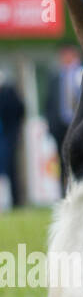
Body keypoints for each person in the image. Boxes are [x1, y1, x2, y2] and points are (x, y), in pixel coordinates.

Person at [45, 46, 83, 194]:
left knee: (80, 159)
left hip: (80, 125)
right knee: (62, 161)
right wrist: (51, 125)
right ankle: (64, 193)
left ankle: (80, 191)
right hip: (60, 127)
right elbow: (49, 103)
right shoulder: (55, 78)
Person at [0, 70, 25, 207]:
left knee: (10, 170)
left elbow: (20, 110)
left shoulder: (8, 92)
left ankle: (15, 202)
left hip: (6, 137)